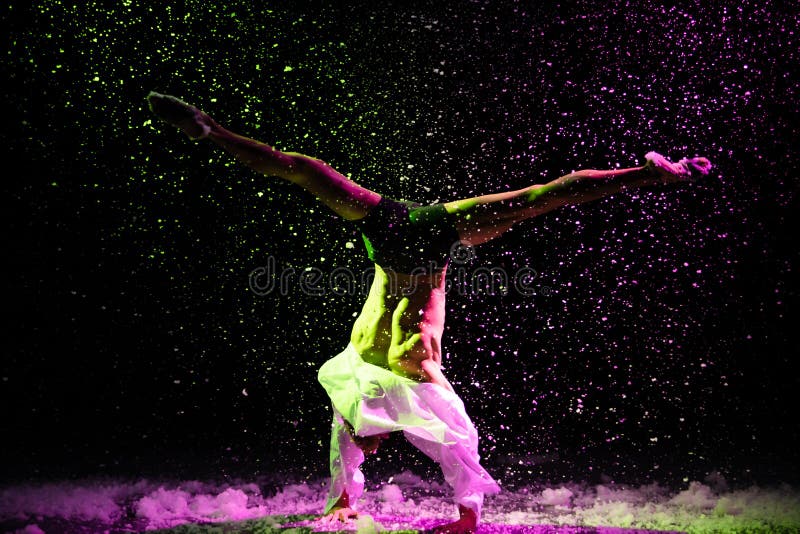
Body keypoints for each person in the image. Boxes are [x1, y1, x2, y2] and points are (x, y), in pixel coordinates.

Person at [146, 91, 711, 533]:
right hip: (408, 234)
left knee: (302, 171)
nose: (372, 443)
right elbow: (434, 442)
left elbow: (434, 441)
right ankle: (212, 130)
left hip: (396, 232)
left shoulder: (376, 377)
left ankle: (212, 130)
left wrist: (461, 513)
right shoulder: (378, 377)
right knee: (535, 199)